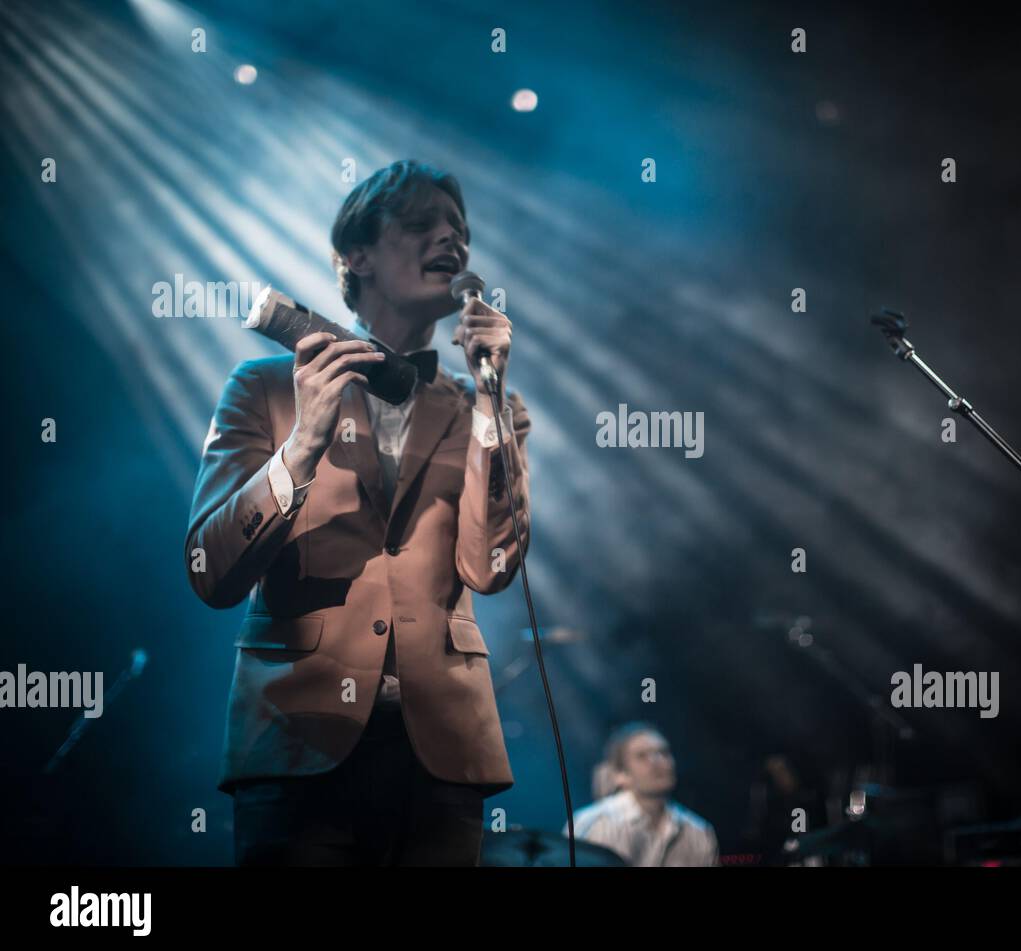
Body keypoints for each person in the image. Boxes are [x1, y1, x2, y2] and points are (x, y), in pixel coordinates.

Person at [186, 160, 530, 865]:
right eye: (421, 225)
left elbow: (490, 569)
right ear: (356, 256)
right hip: (296, 738)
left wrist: (492, 402)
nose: (451, 241)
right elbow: (209, 573)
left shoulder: (480, 405)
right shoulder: (265, 385)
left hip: (443, 752)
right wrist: (303, 443)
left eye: (460, 232)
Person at [567, 723, 719, 866]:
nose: (657, 761)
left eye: (663, 753)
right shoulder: (596, 824)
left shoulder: (698, 832)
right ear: (620, 775)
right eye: (642, 756)